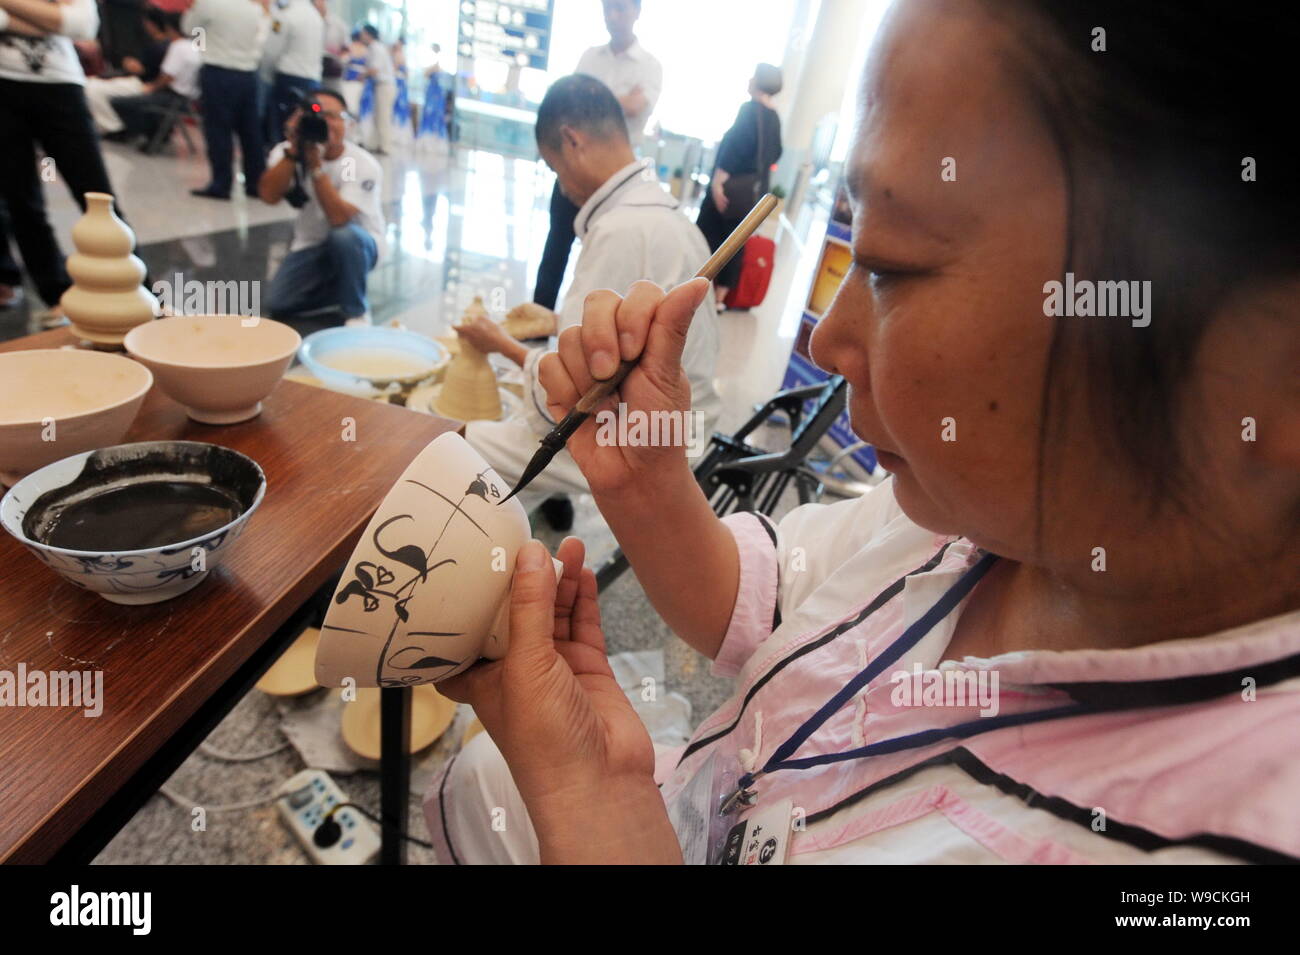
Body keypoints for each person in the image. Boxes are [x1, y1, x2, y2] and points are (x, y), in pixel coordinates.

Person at [424, 0, 1300, 865]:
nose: (827, 339)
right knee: (478, 783)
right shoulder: (969, 516)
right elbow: (759, 597)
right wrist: (647, 481)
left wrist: (596, 810)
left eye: (892, 265)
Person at [454, 74, 720, 521]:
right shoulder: (665, 215)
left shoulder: (621, 230)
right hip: (686, 422)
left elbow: (567, 400)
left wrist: (500, 344)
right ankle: (511, 525)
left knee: (455, 441)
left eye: (555, 168)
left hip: (658, 433)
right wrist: (555, 324)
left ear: (571, 140)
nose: (561, 186)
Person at [0, 0, 128, 325]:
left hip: (62, 87)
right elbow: (63, 22)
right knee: (22, 201)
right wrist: (51, 18)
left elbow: (81, 26)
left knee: (98, 195)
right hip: (3, 87)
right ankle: (56, 294)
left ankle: (136, 287)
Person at [532, 0, 662, 312]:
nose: (612, 16)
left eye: (620, 8)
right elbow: (570, 106)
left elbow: (635, 107)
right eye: (607, 9)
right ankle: (535, 327)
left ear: (636, 11)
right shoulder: (590, 56)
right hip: (575, 165)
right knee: (555, 248)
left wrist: (593, 103)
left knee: (603, 259)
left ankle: (585, 332)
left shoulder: (649, 65)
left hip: (614, 179)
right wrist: (616, 101)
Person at [258, 89, 384, 325]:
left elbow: (339, 218)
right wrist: (295, 151)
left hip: (359, 243)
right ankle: (343, 285)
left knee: (343, 237)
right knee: (278, 303)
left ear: (348, 123)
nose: (323, 122)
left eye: (331, 116)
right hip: (311, 244)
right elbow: (268, 196)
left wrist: (316, 164)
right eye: (315, 115)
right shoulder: (287, 152)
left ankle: (356, 310)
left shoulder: (357, 163)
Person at [696, 63, 783, 307]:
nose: (749, 80)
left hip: (730, 188)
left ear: (758, 82)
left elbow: (734, 148)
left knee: (706, 236)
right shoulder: (773, 117)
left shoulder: (749, 110)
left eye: (753, 76)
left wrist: (718, 182)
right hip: (753, 193)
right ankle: (720, 299)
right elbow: (776, 154)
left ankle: (694, 289)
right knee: (735, 243)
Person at [184, 0, 267, 200]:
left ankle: (221, 184)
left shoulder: (209, 4)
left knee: (218, 131)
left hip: (218, 71)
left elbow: (189, 29)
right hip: (248, 74)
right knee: (251, 132)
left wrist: (204, 43)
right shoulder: (254, 9)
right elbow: (261, 40)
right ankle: (256, 183)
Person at [109, 11, 200, 147]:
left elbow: (167, 76)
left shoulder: (177, 47)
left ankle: (138, 133)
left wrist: (152, 87)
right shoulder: (194, 47)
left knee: (120, 102)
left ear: (170, 28)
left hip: (173, 96)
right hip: (187, 98)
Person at [84, 5, 171, 134]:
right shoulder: (158, 44)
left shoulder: (163, 47)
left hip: (142, 83)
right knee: (92, 84)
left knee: (91, 88)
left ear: (152, 24)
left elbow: (161, 72)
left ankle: (112, 125)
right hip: (136, 79)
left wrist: (139, 71)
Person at [260, 0, 322, 148]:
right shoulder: (316, 16)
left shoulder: (283, 16)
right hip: (312, 81)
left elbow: (271, 51)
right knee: (304, 132)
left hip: (288, 80)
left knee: (284, 131)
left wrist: (265, 77)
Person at [358, 23, 394, 155]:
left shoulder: (376, 48)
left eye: (363, 34)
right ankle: (376, 144)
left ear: (368, 35)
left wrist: (361, 75)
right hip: (379, 86)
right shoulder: (374, 48)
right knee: (377, 116)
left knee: (383, 116)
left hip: (384, 86)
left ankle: (385, 146)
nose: (361, 36)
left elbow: (374, 69)